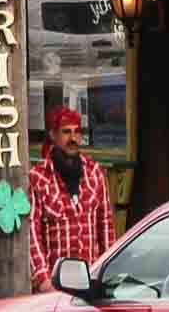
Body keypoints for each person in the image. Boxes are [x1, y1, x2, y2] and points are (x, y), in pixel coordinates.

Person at [28, 103, 113, 286]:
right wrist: (43, 279)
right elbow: (32, 231)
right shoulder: (38, 177)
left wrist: (108, 272)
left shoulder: (94, 172)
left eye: (77, 132)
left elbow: (105, 224)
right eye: (66, 132)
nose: (73, 138)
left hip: (90, 278)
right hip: (55, 282)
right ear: (53, 135)